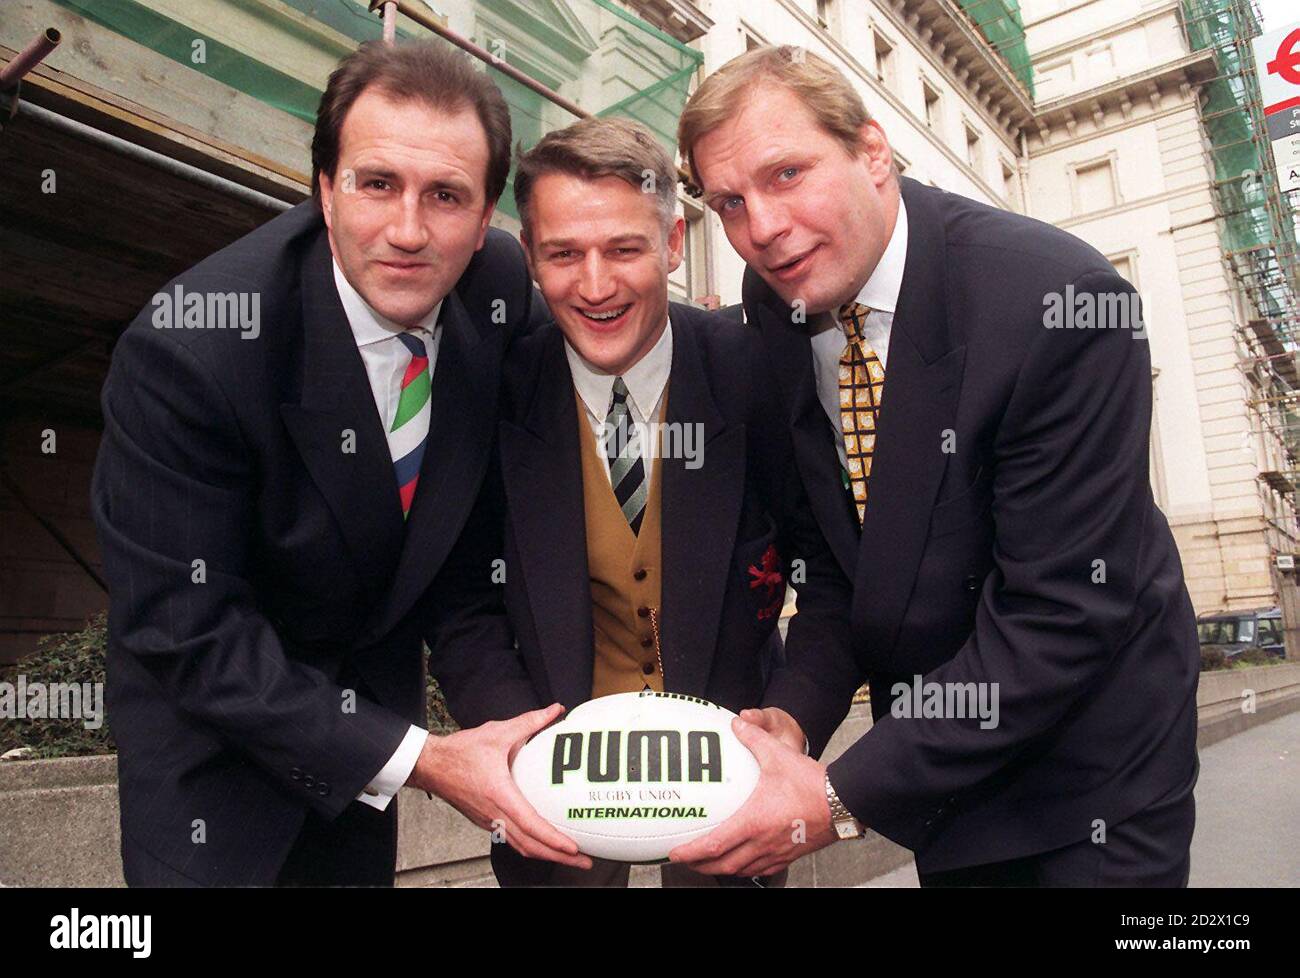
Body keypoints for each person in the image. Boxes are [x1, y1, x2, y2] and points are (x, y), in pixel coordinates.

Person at [669, 45, 1200, 887]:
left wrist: (837, 798)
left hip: (1090, 787)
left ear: (873, 152)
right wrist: (793, 718)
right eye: (729, 201)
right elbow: (847, 567)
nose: (762, 227)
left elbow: (1058, 617)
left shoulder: (1057, 306)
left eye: (787, 174)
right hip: (939, 790)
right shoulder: (776, 298)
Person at [91, 40, 589, 887]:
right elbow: (184, 630)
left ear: (484, 220)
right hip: (217, 778)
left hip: (366, 783)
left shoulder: (499, 293)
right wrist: (425, 759)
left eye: (445, 196)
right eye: (376, 184)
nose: (407, 231)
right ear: (325, 190)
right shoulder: (190, 350)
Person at [474, 117, 851, 887]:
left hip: (732, 797)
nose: (596, 284)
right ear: (529, 256)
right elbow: (461, 599)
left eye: (623, 248)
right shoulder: (493, 389)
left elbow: (832, 575)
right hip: (549, 801)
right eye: (563, 254)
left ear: (674, 243)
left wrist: (793, 718)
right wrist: (517, 741)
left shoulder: (755, 373)